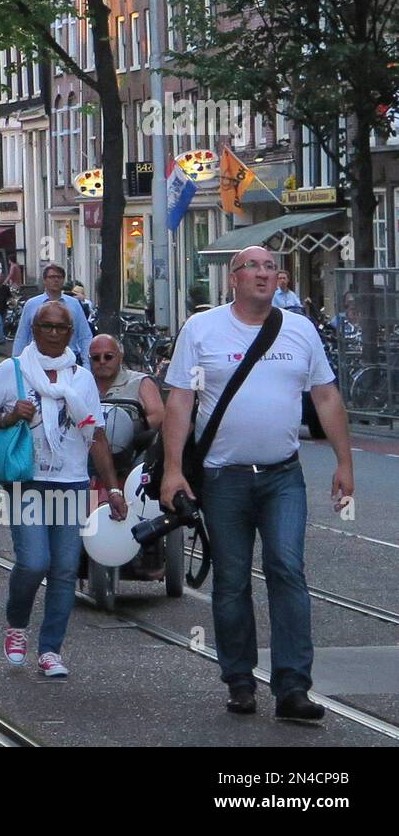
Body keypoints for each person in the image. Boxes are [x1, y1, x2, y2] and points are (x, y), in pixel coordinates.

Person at [161, 245, 352, 721]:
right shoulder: (201, 329)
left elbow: (326, 396)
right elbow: (180, 401)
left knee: (288, 570)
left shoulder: (301, 329)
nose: (265, 274)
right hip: (224, 477)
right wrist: (172, 469)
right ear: (234, 278)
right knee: (231, 580)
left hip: (283, 475)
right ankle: (240, 680)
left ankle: (292, 686)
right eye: (254, 267)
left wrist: (343, 461)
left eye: (272, 267)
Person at [0, 300, 122, 678]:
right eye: (46, 327)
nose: (54, 334)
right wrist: (7, 416)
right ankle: (17, 625)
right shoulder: (13, 370)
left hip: (71, 482)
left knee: (66, 569)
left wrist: (114, 490)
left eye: (61, 328)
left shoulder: (81, 378)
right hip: (29, 481)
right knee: (34, 561)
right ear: (34, 330)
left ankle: (51, 649)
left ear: (72, 334)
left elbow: (96, 435)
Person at [11, 263, 93, 365]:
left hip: (69, 360)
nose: (56, 280)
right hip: (38, 361)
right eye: (52, 277)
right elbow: (22, 336)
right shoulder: (32, 304)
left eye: (59, 277)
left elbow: (85, 336)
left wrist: (87, 364)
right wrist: (16, 363)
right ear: (44, 280)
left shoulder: (74, 304)